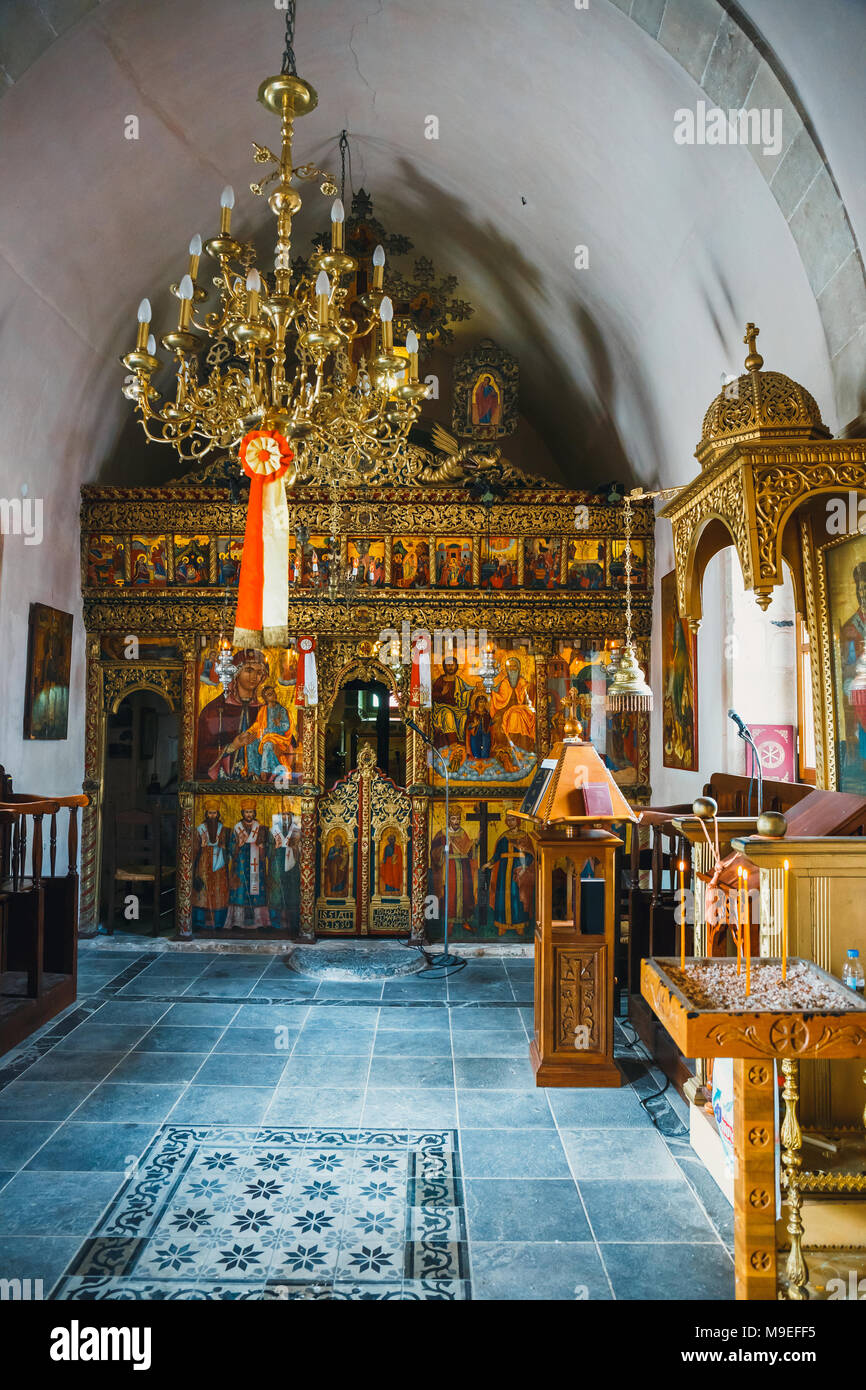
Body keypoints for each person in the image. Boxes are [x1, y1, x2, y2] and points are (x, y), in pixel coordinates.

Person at [196, 649, 267, 778]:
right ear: (236, 673)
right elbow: (200, 755)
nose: (254, 677)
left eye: (259, 672)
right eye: (249, 670)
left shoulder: (265, 710)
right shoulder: (214, 710)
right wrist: (232, 747)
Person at [485, 813, 535, 935]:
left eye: (513, 819)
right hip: (503, 871)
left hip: (518, 870)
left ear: (517, 821)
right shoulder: (503, 837)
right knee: (502, 896)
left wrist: (524, 867)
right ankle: (503, 925)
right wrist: (490, 862)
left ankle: (520, 925)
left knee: (517, 896)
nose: (510, 822)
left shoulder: (524, 836)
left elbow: (530, 854)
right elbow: (498, 854)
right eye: (508, 820)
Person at [226, 801, 271, 929]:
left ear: (254, 813)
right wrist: (237, 846)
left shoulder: (260, 828)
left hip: (256, 863)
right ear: (243, 813)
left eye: (251, 812)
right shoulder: (237, 827)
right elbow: (231, 846)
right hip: (241, 862)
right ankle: (238, 921)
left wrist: (262, 847)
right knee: (240, 889)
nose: (249, 814)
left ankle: (259, 921)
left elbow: (265, 847)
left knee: (256, 889)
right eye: (246, 812)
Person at [429, 810, 475, 930]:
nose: (456, 821)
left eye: (458, 819)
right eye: (454, 819)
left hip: (463, 866)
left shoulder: (463, 833)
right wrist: (445, 847)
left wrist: (474, 844)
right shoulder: (442, 833)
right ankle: (449, 922)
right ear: (449, 820)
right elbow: (433, 852)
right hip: (448, 866)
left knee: (464, 892)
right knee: (450, 893)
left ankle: (464, 919)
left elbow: (468, 850)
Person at [192, 801, 229, 930]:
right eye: (210, 813)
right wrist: (201, 847)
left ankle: (218, 924)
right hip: (203, 864)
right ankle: (199, 922)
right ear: (206, 814)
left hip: (219, 865)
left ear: (218, 814)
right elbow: (194, 850)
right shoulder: (199, 829)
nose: (212, 816)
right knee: (201, 893)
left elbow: (227, 848)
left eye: (214, 813)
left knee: (219, 893)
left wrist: (224, 848)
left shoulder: (223, 829)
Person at [489, 655, 536, 752]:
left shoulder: (523, 682)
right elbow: (501, 700)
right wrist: (493, 692)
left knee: (520, 716)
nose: (512, 669)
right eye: (510, 666)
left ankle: (523, 748)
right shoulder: (504, 683)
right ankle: (508, 747)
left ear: (519, 668)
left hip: (521, 709)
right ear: (506, 669)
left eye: (514, 666)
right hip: (504, 709)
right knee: (504, 720)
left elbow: (528, 700)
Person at [431, 655, 474, 748]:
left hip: (458, 709)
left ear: (456, 666)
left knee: (464, 717)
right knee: (448, 715)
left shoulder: (459, 681)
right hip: (443, 708)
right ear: (444, 667)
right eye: (448, 665)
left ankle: (462, 745)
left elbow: (467, 691)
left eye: (452, 665)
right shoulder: (440, 681)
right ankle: (453, 743)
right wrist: (442, 694)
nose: (450, 667)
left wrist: (472, 691)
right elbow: (433, 696)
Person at [269, 811, 301, 931]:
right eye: (283, 815)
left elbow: (302, 848)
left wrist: (296, 848)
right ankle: (275, 923)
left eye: (288, 815)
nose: (285, 817)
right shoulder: (273, 831)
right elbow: (267, 849)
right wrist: (273, 848)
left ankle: (293, 922)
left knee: (292, 891)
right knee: (276, 891)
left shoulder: (297, 831)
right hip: (277, 863)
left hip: (292, 864)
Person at [379, 830, 403, 895]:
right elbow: (384, 857)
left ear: (395, 840)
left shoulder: (398, 847)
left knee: (396, 876)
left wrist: (396, 859)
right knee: (388, 877)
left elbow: (400, 857)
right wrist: (382, 862)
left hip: (396, 865)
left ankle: (396, 889)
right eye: (390, 839)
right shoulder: (386, 847)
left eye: (392, 839)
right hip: (388, 865)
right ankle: (389, 888)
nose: (391, 841)